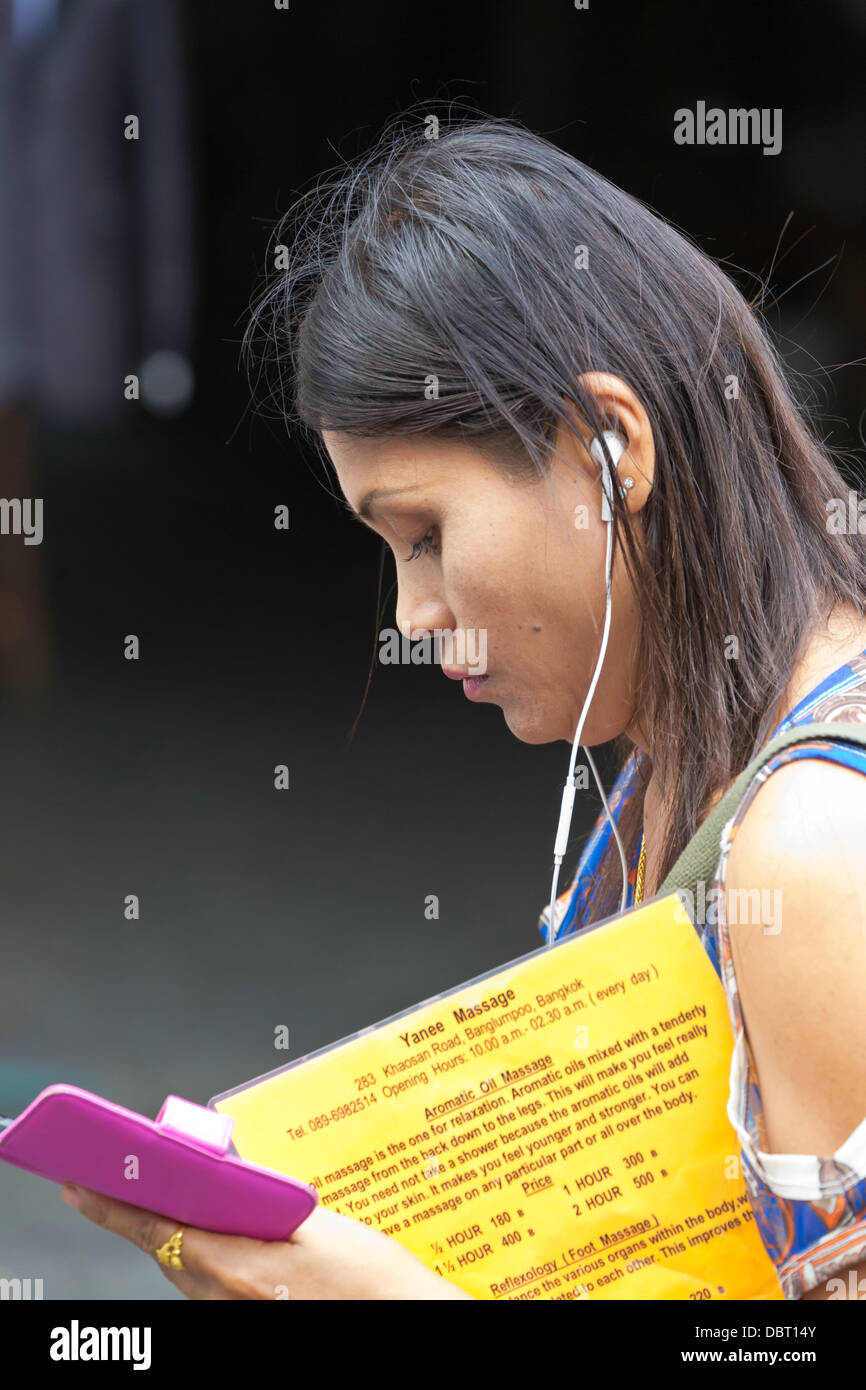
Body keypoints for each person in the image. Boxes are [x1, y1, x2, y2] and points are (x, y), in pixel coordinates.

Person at [61, 110, 866, 1301]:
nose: (411, 615)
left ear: (605, 447)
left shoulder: (811, 847)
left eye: (424, 534)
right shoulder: (689, 764)